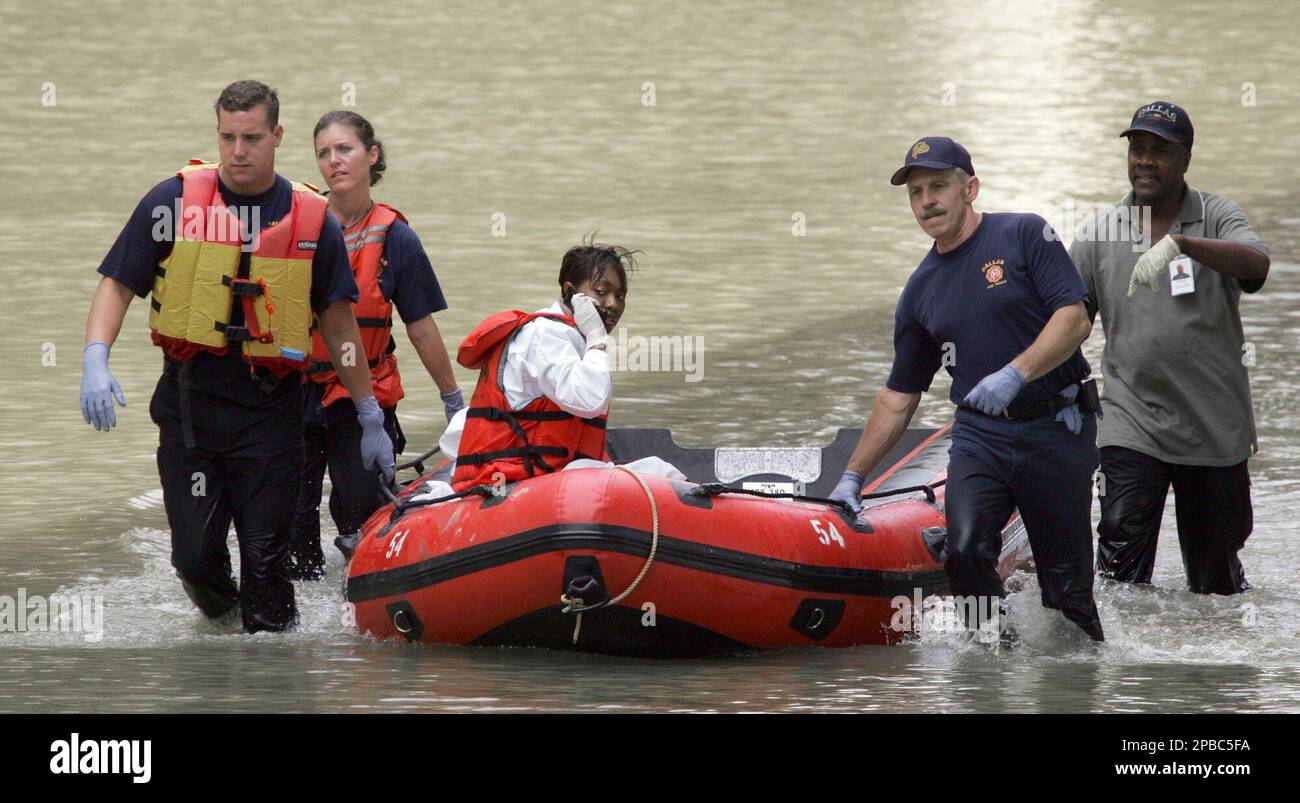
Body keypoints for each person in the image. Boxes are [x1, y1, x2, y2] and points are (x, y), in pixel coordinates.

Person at [79, 81, 394, 633]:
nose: (238, 150)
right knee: (195, 560)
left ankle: (272, 676)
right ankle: (223, 628)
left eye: (251, 137)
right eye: (227, 137)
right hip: (190, 412)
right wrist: (94, 357)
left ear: (277, 135)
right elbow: (117, 286)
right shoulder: (171, 203)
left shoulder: (310, 218)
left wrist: (368, 410)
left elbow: (339, 323)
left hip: (272, 416)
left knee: (268, 568)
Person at [828, 136, 1105, 641]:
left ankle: (1076, 674)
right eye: (915, 193)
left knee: (1066, 591)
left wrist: (1016, 373)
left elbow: (1075, 318)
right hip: (981, 437)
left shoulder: (1024, 234)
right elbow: (899, 396)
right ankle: (993, 656)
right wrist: (852, 476)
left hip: (1057, 426)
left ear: (970, 188)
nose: (926, 201)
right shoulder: (920, 290)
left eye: (938, 187)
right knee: (965, 551)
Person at [1069, 101, 1270, 595]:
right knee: (1119, 569)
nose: (1144, 160)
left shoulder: (1217, 215)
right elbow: (1068, 321)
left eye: (1160, 150)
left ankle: (1209, 672)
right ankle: (1120, 670)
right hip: (1131, 421)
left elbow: (1256, 266)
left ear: (1186, 159)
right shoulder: (1099, 233)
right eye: (1137, 148)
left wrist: (1182, 245)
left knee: (1214, 585)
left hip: (1213, 426)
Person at [284, 111, 464, 578]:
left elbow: (420, 327)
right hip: (294, 394)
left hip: (363, 397)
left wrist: (453, 401)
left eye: (344, 149)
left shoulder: (396, 238)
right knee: (292, 524)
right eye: (323, 153)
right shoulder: (296, 226)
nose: (333, 161)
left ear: (372, 155)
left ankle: (358, 603)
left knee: (360, 515)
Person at [426, 239, 682, 498]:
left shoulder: (567, 336)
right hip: (509, 480)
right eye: (601, 292)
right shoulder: (547, 336)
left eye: (620, 296)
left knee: (657, 472)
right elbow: (590, 400)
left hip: (537, 475)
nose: (613, 304)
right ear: (571, 292)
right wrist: (596, 339)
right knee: (660, 474)